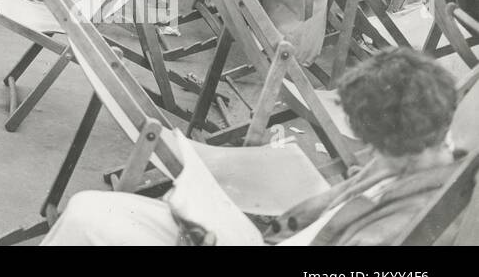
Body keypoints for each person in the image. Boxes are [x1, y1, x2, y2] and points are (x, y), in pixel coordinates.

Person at [42, 47, 470, 246]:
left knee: (93, 225)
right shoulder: (420, 153)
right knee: (89, 210)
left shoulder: (405, 220)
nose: (368, 151)